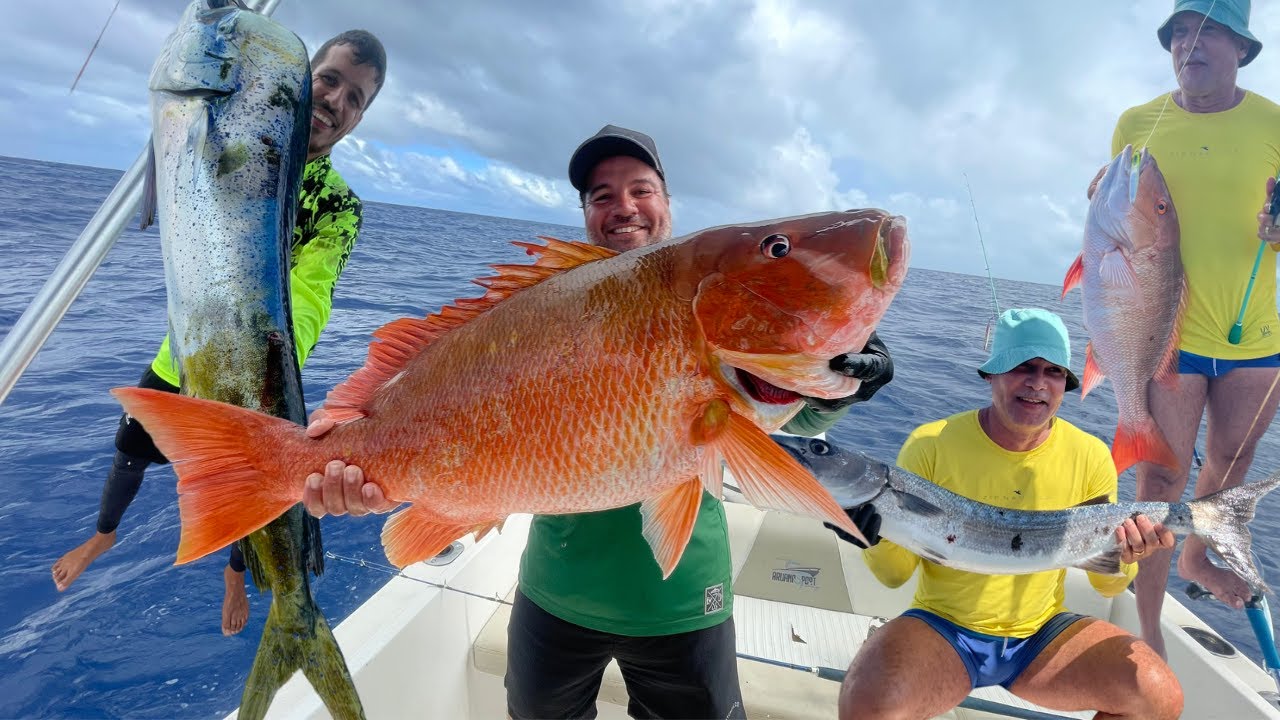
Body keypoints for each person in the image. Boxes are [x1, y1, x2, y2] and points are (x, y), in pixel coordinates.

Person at [299, 124, 896, 719]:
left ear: (666, 201)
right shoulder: (543, 306)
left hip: (686, 602)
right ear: (585, 213)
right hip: (552, 597)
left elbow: (802, 405)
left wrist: (850, 377)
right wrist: (352, 463)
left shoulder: (703, 304)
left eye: (640, 189)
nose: (623, 207)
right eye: (601, 196)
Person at [50, 30, 388, 637]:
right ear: (302, 78)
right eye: (330, 79)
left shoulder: (338, 206)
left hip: (263, 368)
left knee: (258, 482)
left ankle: (237, 571)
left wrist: (269, 355)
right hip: (181, 353)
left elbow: (313, 294)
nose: (337, 99)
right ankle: (103, 536)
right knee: (130, 451)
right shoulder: (239, 142)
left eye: (356, 98)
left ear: (360, 118)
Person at [826, 309, 1183, 720]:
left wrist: (1128, 557)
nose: (1037, 383)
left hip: (1040, 636)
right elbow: (894, 574)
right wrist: (871, 536)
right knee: (867, 704)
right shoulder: (931, 445)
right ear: (991, 375)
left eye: (1053, 371)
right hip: (944, 627)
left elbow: (1108, 586)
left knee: (1158, 697)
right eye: (1022, 367)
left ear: (1065, 384)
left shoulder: (1090, 456)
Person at [1109, 0, 1280, 658]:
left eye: (1207, 31)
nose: (1190, 43)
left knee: (1233, 471)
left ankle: (1197, 559)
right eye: (1180, 31)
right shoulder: (1136, 122)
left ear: (1241, 48)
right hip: (1165, 339)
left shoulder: (1273, 122)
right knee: (1158, 485)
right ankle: (1146, 630)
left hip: (1256, 339)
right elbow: (1112, 215)